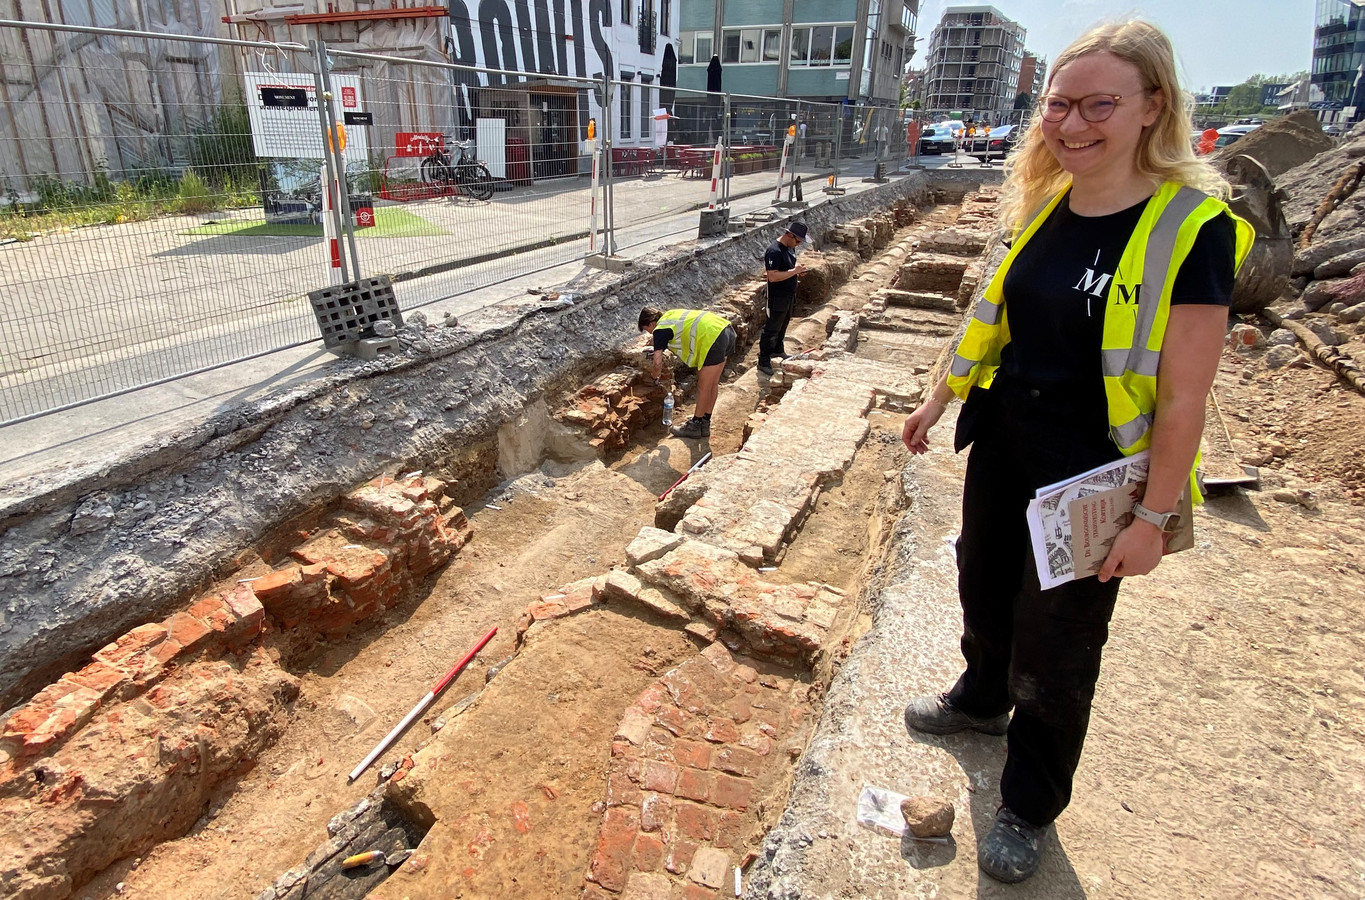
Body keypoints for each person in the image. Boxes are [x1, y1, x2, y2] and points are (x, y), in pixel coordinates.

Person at [899, 20, 1252, 885]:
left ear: (1151, 108)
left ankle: (1027, 801)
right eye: (1059, 104)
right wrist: (938, 393)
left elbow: (1182, 395)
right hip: (1006, 439)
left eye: (1101, 104)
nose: (1072, 123)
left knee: (1055, 642)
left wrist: (1155, 518)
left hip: (1093, 467)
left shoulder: (1191, 227)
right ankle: (979, 701)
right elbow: (995, 316)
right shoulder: (1050, 200)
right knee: (981, 583)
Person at [638, 306, 736, 439]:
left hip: (712, 339)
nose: (649, 333)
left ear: (651, 324)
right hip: (724, 330)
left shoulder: (660, 330)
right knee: (712, 384)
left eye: (647, 329)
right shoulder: (669, 315)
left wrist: (655, 377)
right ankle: (705, 423)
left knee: (703, 387)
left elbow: (657, 363)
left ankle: (695, 425)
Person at [759, 222, 810, 375]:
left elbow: (788, 267)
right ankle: (764, 360)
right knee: (772, 328)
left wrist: (796, 271)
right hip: (777, 296)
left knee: (783, 324)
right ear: (789, 235)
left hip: (788, 294)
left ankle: (777, 350)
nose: (798, 244)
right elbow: (773, 276)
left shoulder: (790, 248)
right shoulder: (774, 251)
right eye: (798, 241)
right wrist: (794, 271)